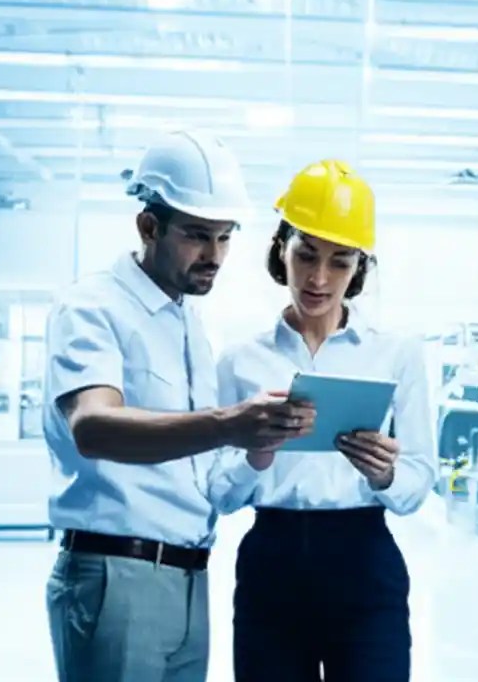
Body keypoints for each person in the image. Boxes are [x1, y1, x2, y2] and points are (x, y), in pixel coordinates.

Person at [42, 129, 317, 682]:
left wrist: (257, 445)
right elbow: (94, 427)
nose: (213, 256)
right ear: (149, 227)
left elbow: (206, 480)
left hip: (190, 580)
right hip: (117, 577)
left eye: (224, 238)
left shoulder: (190, 326)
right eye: (196, 235)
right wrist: (227, 424)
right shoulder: (93, 307)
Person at [216, 159, 437, 681]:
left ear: (360, 267)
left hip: (365, 565)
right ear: (281, 250)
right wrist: (256, 454)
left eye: (340, 262)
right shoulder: (240, 361)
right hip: (272, 563)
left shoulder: (396, 356)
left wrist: (384, 473)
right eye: (306, 255)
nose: (319, 278)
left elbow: (416, 485)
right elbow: (220, 495)